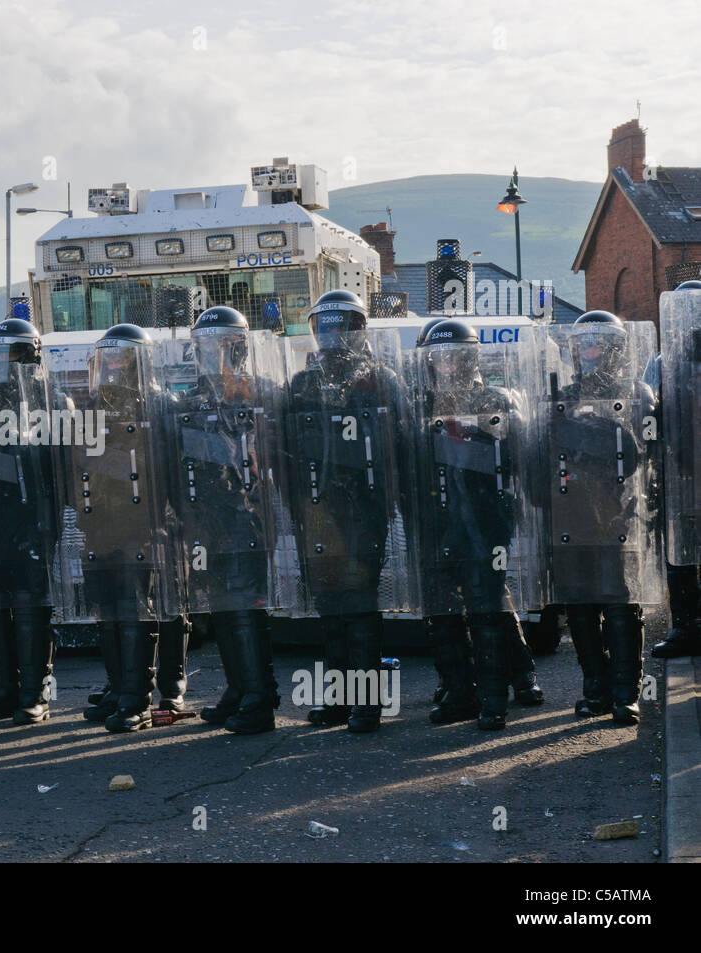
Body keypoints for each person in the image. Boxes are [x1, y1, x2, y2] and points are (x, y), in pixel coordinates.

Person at [281, 290, 414, 733]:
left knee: (358, 605)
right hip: (317, 507)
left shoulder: (380, 380)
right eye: (325, 326)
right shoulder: (302, 383)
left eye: (341, 326)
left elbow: (403, 446)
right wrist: (295, 504)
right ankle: (338, 700)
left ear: (357, 329)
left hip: (363, 505)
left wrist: (388, 503)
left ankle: (367, 703)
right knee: (329, 607)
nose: (332, 336)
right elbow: (283, 450)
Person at [410, 320, 543, 730]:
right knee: (444, 608)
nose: (445, 365)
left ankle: (493, 697)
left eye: (453, 357)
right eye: (438, 358)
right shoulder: (420, 402)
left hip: (486, 517)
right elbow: (408, 465)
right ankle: (464, 690)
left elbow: (518, 458)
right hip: (439, 518)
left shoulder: (494, 398)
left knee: (485, 604)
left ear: (469, 359)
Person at [56, 323, 179, 733]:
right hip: (100, 523)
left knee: (134, 610)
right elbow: (75, 467)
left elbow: (165, 470)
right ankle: (118, 688)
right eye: (106, 359)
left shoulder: (157, 405)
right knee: (106, 612)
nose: (111, 368)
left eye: (120, 359)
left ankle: (136, 699)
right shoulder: (90, 407)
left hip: (139, 525)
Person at [542, 311, 660, 726]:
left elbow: (645, 456)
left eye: (595, 344)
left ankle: (627, 693)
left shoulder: (637, 393)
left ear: (613, 350)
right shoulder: (564, 395)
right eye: (582, 345)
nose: (587, 353)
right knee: (579, 608)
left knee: (620, 604)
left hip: (619, 514)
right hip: (572, 515)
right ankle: (595, 688)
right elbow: (548, 453)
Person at [169, 306, 282, 734]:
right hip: (207, 520)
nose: (212, 355)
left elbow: (276, 458)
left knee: (245, 607)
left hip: (246, 514)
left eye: (221, 346)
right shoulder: (192, 400)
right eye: (205, 346)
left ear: (239, 349)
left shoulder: (258, 393)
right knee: (222, 607)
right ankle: (240, 689)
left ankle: (258, 697)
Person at [0, 318, 62, 726]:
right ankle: (4, 688)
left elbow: (62, 473)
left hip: (32, 518)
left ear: (31, 357)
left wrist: (45, 521)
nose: (4, 364)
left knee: (30, 603)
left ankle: (35, 692)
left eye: (12, 355)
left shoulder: (51, 401)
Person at [654, 280, 701, 659]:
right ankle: (685, 626)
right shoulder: (663, 362)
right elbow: (646, 416)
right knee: (680, 556)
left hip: (683, 473)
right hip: (678, 475)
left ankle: (687, 628)